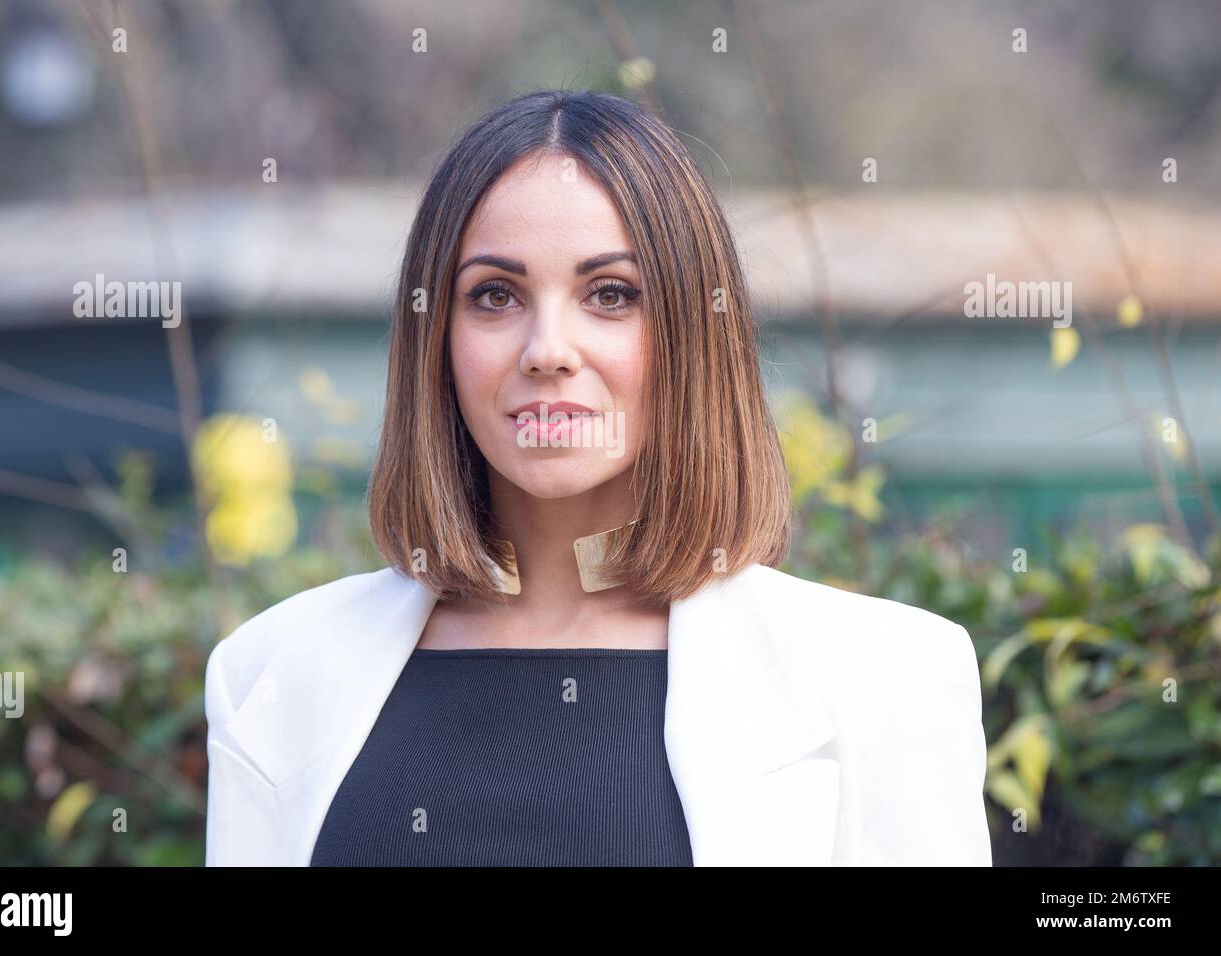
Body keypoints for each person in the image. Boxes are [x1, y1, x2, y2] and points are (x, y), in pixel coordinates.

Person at [204, 89, 992, 866]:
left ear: (692, 331)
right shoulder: (272, 673)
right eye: (494, 296)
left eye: (610, 294)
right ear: (436, 340)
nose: (548, 349)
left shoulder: (885, 679)